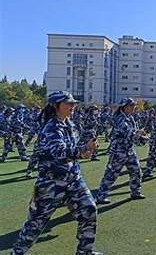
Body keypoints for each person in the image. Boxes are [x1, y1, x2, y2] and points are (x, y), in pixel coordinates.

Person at [11, 91, 101, 255]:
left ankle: (85, 251)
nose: (73, 106)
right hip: (51, 183)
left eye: (73, 103)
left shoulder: (69, 124)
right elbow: (59, 152)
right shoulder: (51, 127)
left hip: (73, 180)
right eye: (68, 103)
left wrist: (84, 152)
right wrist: (83, 149)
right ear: (55, 106)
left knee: (89, 210)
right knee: (36, 224)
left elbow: (71, 151)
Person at [95, 98, 148, 205]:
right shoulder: (120, 118)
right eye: (131, 105)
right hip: (119, 151)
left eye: (134, 105)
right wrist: (142, 137)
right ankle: (101, 196)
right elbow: (128, 133)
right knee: (111, 174)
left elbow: (132, 132)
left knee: (136, 171)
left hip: (128, 149)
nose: (134, 107)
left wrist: (139, 133)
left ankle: (135, 192)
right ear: (125, 107)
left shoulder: (130, 118)